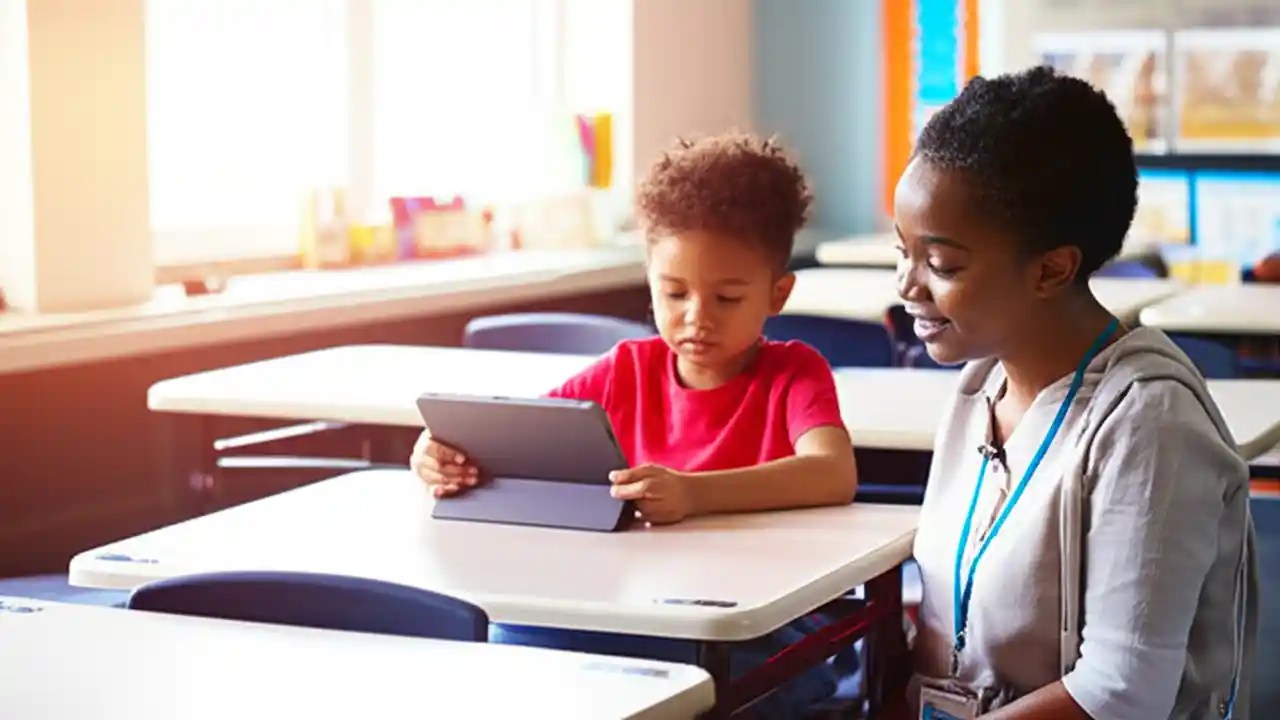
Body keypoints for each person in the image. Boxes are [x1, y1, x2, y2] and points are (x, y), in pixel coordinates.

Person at [411, 131, 858, 716]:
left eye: (727, 298)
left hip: (758, 630)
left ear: (778, 294)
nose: (696, 317)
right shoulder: (627, 369)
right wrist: (440, 453)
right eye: (674, 293)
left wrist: (695, 494)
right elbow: (523, 437)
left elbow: (833, 473)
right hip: (634, 613)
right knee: (509, 650)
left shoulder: (793, 373)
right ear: (649, 279)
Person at [895, 65, 1257, 719]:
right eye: (904, 253)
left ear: (1052, 269)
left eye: (942, 265)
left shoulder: (1150, 423)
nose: (908, 285)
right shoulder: (981, 385)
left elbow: (1120, 695)